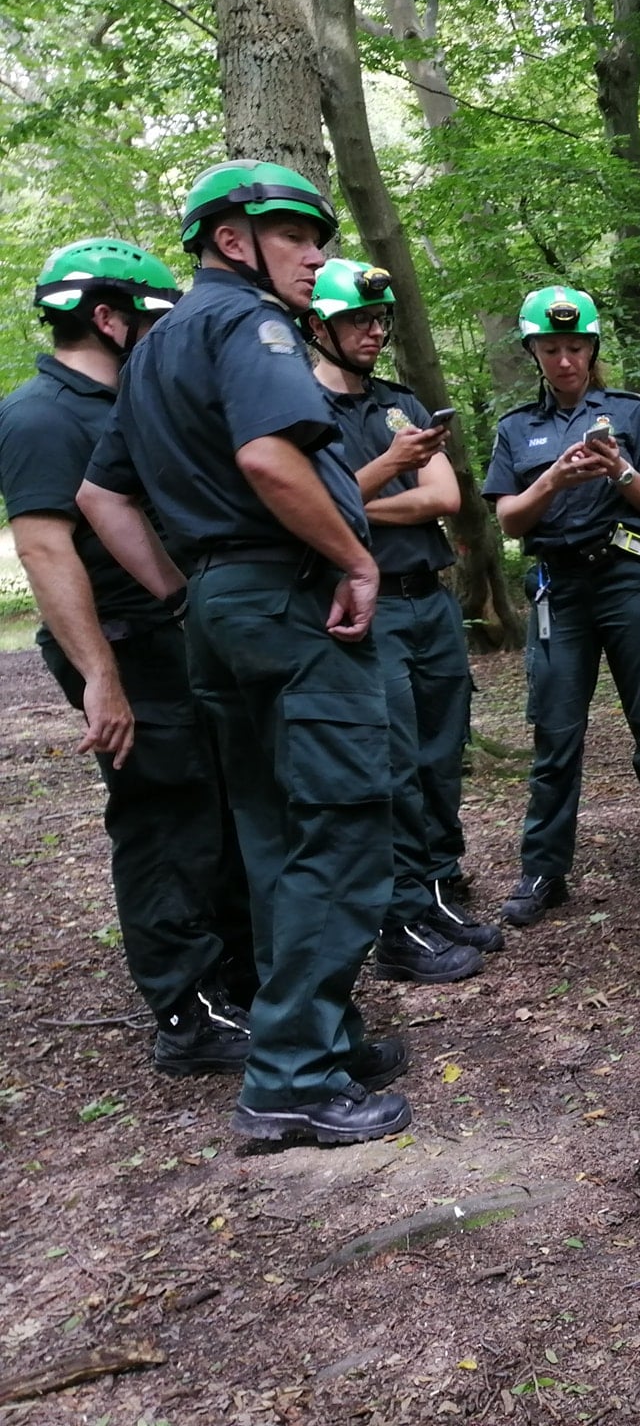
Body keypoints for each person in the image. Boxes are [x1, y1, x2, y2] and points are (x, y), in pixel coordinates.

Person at [77, 159, 410, 1148]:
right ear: (235, 240)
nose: (319, 254)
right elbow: (270, 458)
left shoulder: (153, 351)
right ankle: (294, 1080)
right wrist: (354, 558)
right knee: (344, 827)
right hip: (292, 601)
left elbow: (102, 498)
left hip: (222, 611)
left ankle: (319, 1036)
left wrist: (185, 594)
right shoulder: (248, 325)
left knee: (272, 836)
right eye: (300, 236)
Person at [0, 237, 254, 1076]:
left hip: (176, 638)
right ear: (106, 319)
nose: (165, 334)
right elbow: (44, 550)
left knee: (212, 809)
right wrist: (102, 678)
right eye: (152, 319)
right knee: (163, 820)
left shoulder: (126, 402)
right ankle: (186, 1011)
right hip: (125, 648)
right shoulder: (42, 414)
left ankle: (233, 985)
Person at [481, 284, 640, 926]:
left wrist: (619, 473)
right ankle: (543, 871)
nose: (564, 359)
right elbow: (511, 523)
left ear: (592, 347)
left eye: (575, 346)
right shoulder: (515, 429)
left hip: (629, 583)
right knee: (555, 734)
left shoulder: (631, 417)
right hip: (559, 592)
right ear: (534, 352)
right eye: (550, 348)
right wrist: (552, 479)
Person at [302, 257, 496, 975]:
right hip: (367, 604)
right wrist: (387, 469)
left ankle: (437, 889)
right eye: (358, 319)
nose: (374, 331)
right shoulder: (299, 408)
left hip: (430, 598)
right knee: (390, 762)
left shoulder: (399, 403)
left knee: (441, 752)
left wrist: (349, 501)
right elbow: (298, 506)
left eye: (380, 319)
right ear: (318, 325)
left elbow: (442, 499)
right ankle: (399, 917)